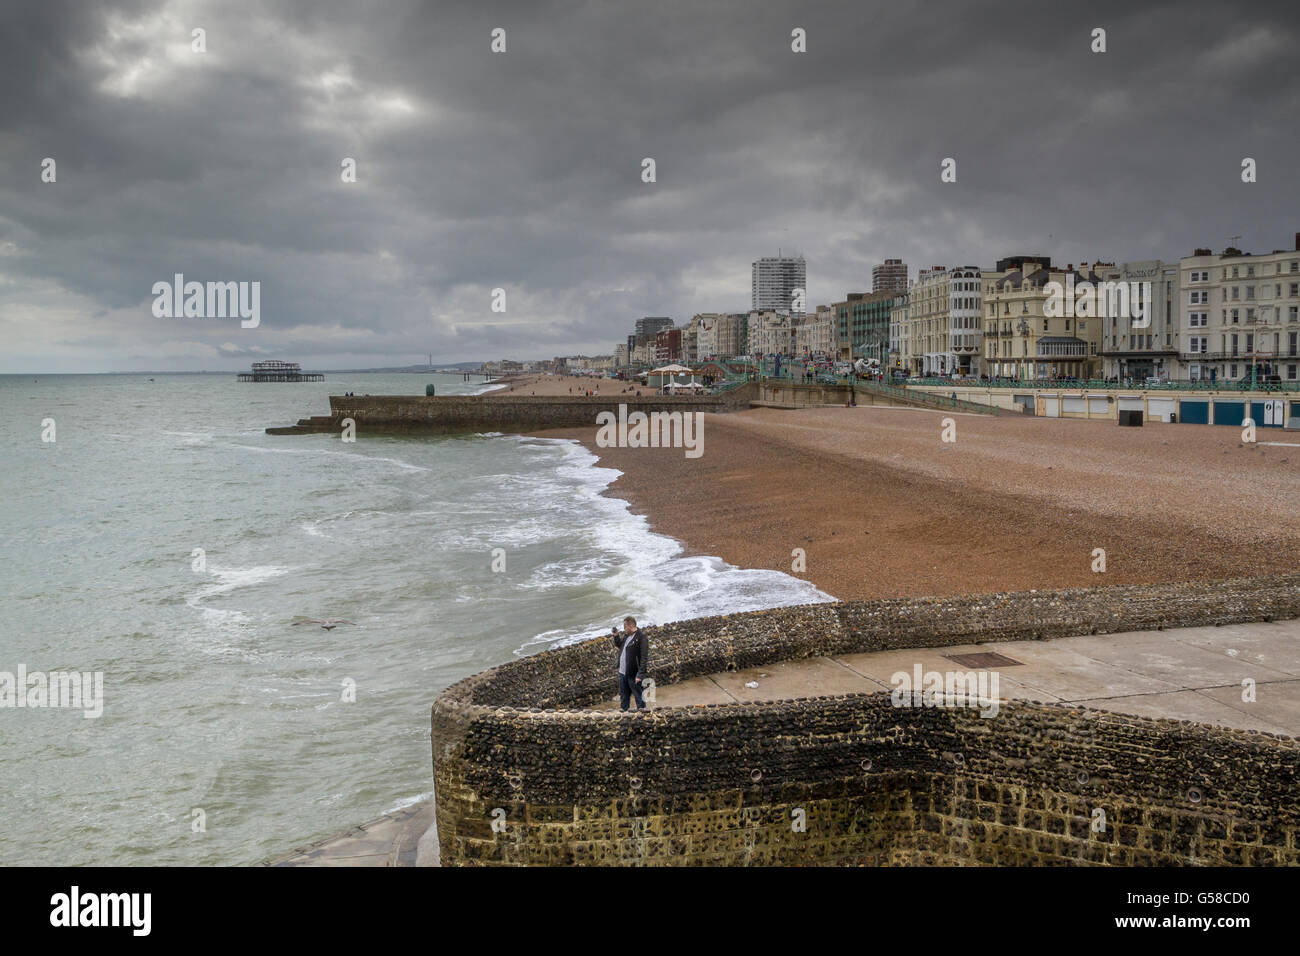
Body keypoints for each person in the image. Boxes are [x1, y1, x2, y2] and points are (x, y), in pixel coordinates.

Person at [612, 616, 648, 711]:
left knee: (639, 697)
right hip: (622, 672)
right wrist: (616, 636)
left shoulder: (641, 637)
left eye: (625, 626)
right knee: (624, 696)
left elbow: (644, 658)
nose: (624, 629)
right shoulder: (627, 635)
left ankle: (643, 715)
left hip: (634, 674)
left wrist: (640, 675)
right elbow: (620, 645)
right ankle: (624, 714)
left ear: (631, 625)